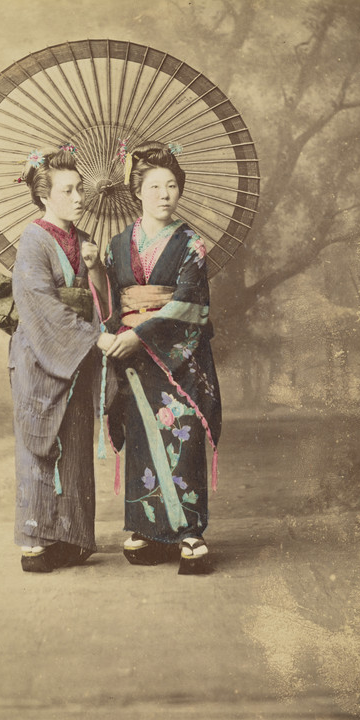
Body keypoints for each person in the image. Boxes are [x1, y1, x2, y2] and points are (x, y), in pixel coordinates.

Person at [102, 141, 222, 574]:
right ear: (137, 192)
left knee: (182, 433)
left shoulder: (192, 243)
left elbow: (191, 303)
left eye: (171, 185)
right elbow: (115, 303)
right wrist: (114, 334)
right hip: (133, 358)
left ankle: (190, 532)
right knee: (141, 438)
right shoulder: (117, 245)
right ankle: (145, 529)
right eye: (154, 186)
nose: (164, 194)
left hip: (178, 356)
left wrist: (139, 334)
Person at [9, 147, 114, 573]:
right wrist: (94, 339)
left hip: (77, 354)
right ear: (44, 197)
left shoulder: (83, 241)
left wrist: (95, 269)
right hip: (41, 354)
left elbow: (102, 302)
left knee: (73, 445)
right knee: (38, 443)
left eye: (79, 189)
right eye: (68, 190)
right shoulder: (33, 240)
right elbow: (38, 304)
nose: (79, 198)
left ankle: (71, 537)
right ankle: (35, 540)